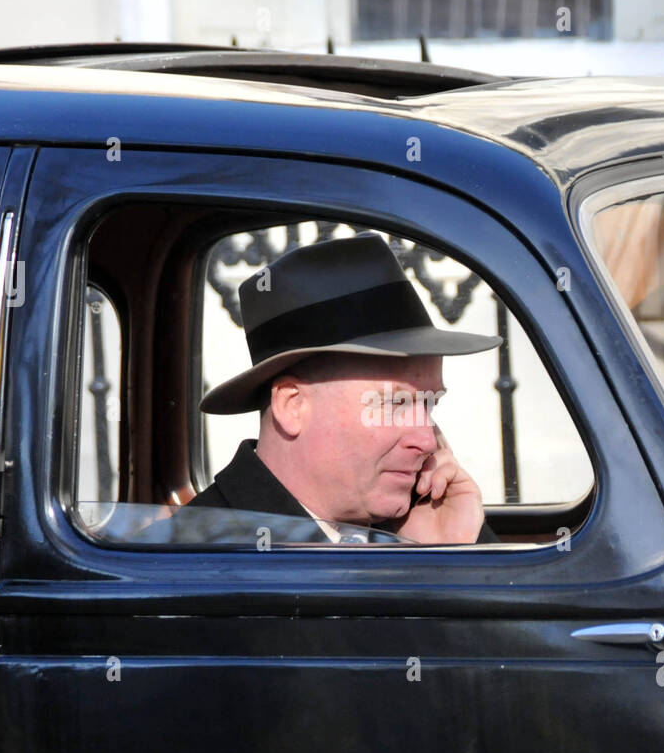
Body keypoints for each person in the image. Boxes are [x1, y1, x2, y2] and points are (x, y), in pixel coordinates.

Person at [191, 233, 502, 544]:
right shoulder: (195, 562)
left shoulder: (413, 526)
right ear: (292, 406)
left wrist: (449, 553)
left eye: (429, 403)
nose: (426, 441)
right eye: (395, 405)